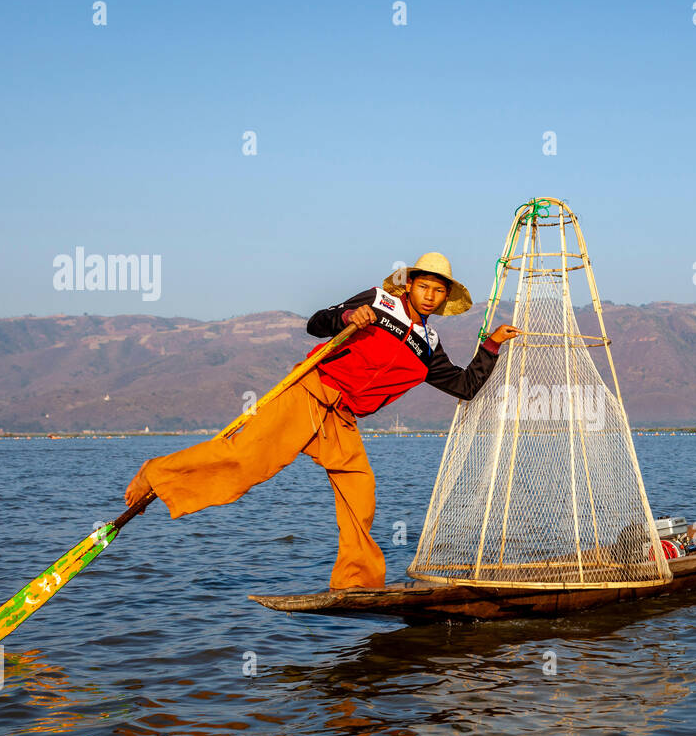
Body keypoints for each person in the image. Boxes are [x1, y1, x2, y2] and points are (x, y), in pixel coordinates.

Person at [122, 252, 519, 589]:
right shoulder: (380, 302)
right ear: (409, 285)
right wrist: (349, 315)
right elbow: (316, 323)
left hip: (342, 419)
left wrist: (492, 344)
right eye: (424, 287)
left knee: (360, 494)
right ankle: (156, 474)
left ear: (445, 297)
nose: (430, 296)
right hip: (309, 393)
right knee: (247, 463)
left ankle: (356, 582)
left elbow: (466, 386)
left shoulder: (428, 346)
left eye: (438, 291)